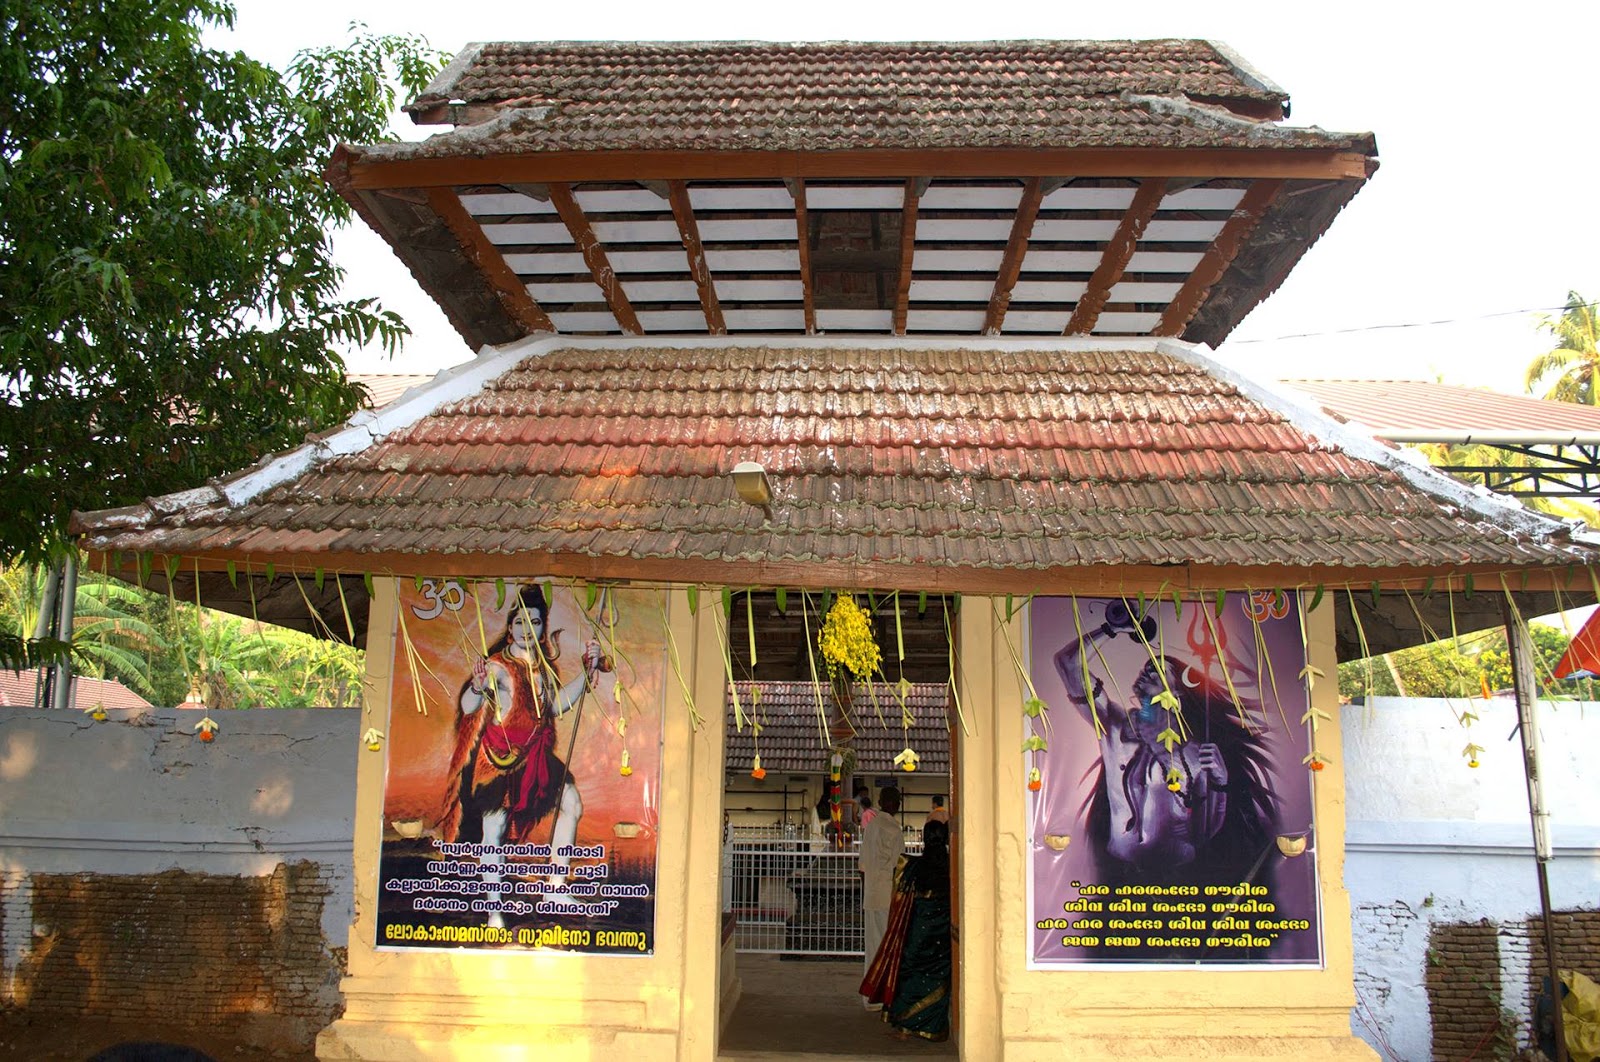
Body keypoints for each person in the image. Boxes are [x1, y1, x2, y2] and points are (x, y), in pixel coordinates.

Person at [1052, 599, 1277, 887]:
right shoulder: (1117, 727)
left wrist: (1220, 784)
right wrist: (1111, 629)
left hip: (1179, 882)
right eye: (1149, 665)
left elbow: (1203, 833)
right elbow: (1067, 664)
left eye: (1160, 670)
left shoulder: (1195, 754)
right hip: (1119, 876)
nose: (1148, 669)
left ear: (1178, 692)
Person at [441, 584, 608, 925]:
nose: (527, 629)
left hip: (535, 755)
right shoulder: (497, 666)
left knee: (572, 804)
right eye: (520, 622)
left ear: (543, 627)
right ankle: (494, 910)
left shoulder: (543, 667)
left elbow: (554, 706)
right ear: (510, 626)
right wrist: (477, 687)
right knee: (494, 830)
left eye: (535, 622)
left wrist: (586, 674)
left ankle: (555, 888)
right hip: (500, 760)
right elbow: (469, 706)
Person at [861, 819, 953, 1042]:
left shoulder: (913, 867)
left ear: (924, 839)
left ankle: (904, 1027)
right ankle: (933, 1027)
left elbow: (900, 897)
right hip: (942, 935)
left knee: (909, 973)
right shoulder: (953, 867)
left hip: (918, 932)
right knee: (938, 978)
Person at [858, 785, 904, 1010]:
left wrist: (868, 888)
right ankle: (885, 996)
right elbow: (898, 867)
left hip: (871, 894)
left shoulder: (871, 827)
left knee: (872, 947)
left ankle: (870, 998)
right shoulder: (894, 830)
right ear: (896, 805)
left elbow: (862, 866)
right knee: (888, 947)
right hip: (887, 895)